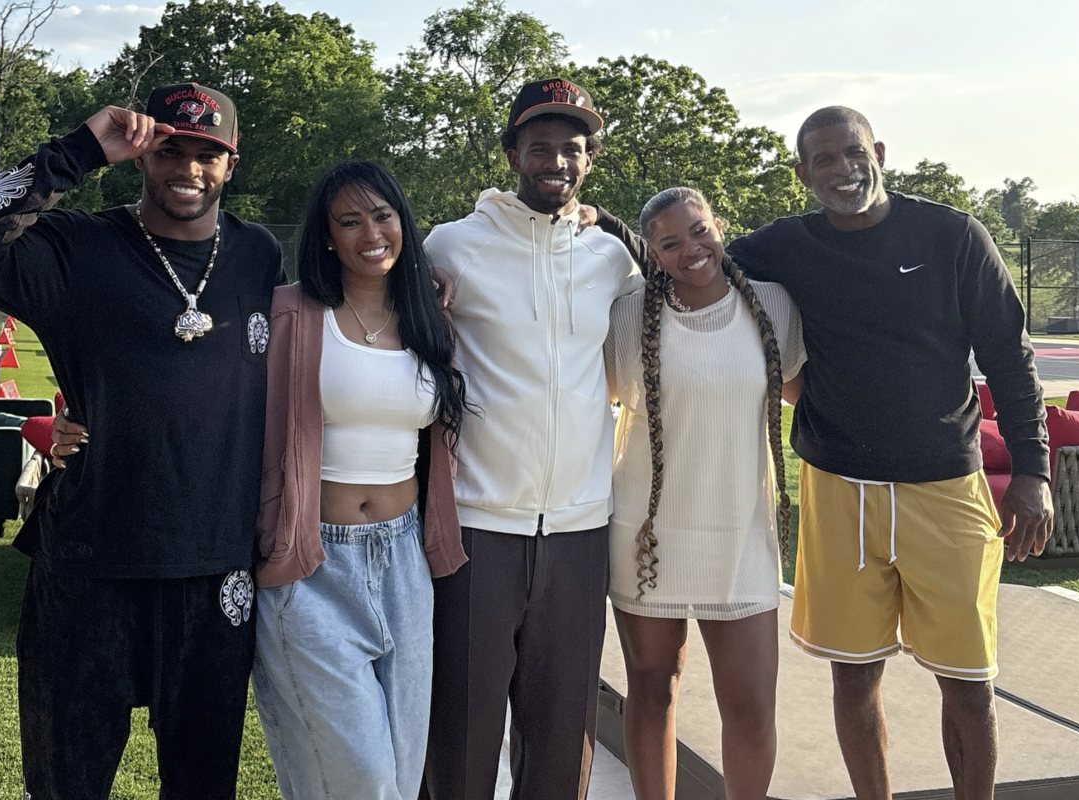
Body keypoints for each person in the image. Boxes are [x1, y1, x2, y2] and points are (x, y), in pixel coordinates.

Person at [0, 83, 282, 799]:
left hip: (214, 567)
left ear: (231, 163)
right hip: (89, 562)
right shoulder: (76, 247)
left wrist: (430, 292)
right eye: (169, 150)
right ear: (142, 156)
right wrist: (78, 152)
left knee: (204, 785)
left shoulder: (257, 254)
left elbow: (353, 296)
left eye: (206, 154)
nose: (188, 169)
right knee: (66, 782)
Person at [724, 106, 1053, 799]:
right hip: (838, 486)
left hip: (945, 484)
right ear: (802, 174)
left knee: (969, 684)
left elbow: (1009, 357)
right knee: (853, 676)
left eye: (853, 152)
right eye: (824, 159)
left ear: (878, 151)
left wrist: (1032, 471)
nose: (843, 169)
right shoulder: (786, 244)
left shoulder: (952, 235)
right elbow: (693, 256)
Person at [419, 77, 642, 800]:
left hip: (580, 529)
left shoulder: (610, 256)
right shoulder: (453, 244)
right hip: (476, 528)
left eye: (572, 149)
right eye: (539, 147)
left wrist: (611, 224)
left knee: (561, 739)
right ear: (512, 154)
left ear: (589, 160)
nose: (557, 162)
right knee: (460, 734)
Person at [250, 160, 470, 800]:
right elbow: (213, 394)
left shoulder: (430, 320)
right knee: (360, 780)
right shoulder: (290, 315)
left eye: (382, 215)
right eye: (349, 221)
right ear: (326, 236)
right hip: (311, 563)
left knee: (401, 772)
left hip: (405, 563)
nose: (371, 234)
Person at [585, 187, 804, 800]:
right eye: (670, 243)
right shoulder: (627, 315)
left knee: (753, 707)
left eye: (699, 231)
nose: (691, 250)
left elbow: (808, 396)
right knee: (653, 689)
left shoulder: (772, 305)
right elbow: (585, 394)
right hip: (648, 535)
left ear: (719, 226)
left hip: (741, 534)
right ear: (652, 253)